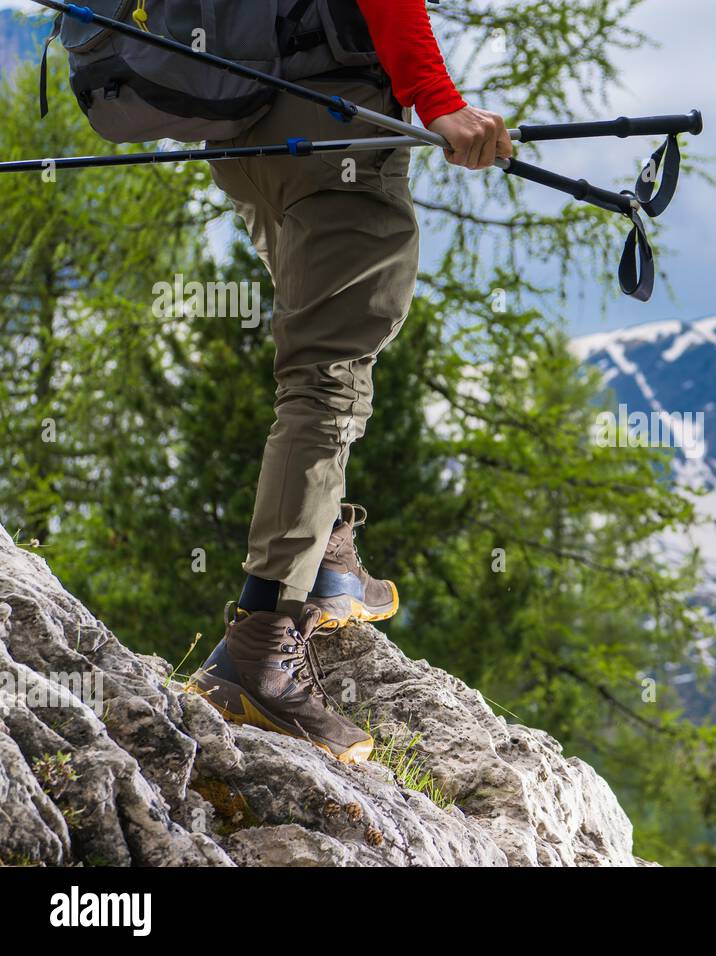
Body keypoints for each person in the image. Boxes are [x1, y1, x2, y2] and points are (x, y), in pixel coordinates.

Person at [194, 0, 512, 763]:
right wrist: (439, 101)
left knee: (327, 353)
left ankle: (327, 566)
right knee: (326, 378)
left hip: (240, 122)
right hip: (334, 121)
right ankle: (260, 643)